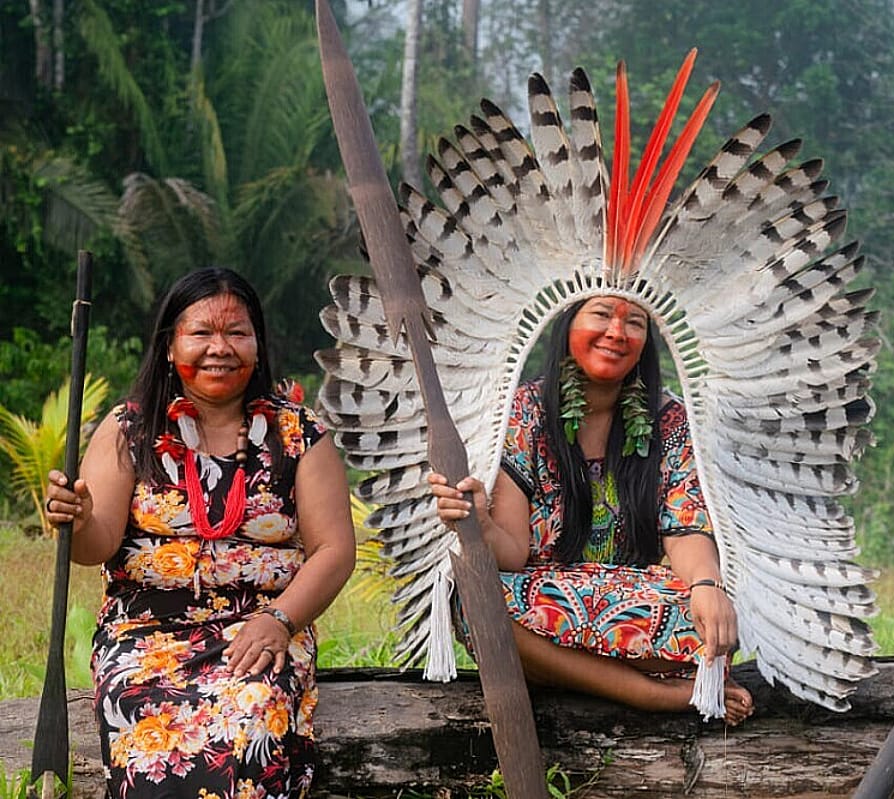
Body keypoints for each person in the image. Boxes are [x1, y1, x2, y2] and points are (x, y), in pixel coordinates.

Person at [44, 267, 356, 799]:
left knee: (256, 716)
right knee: (149, 731)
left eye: (236, 332)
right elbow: (96, 546)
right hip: (142, 633)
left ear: (257, 344)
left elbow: (334, 550)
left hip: (261, 628)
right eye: (201, 334)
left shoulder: (300, 435)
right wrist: (78, 517)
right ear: (170, 347)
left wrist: (280, 620)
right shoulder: (130, 431)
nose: (220, 348)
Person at [429, 295, 755, 725]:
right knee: (477, 601)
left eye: (634, 322)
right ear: (567, 327)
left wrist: (706, 585)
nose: (617, 333)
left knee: (710, 620)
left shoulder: (670, 419)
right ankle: (656, 695)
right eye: (601, 315)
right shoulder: (524, 412)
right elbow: (510, 553)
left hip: (628, 596)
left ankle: (557, 669)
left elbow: (684, 527)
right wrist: (480, 522)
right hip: (535, 597)